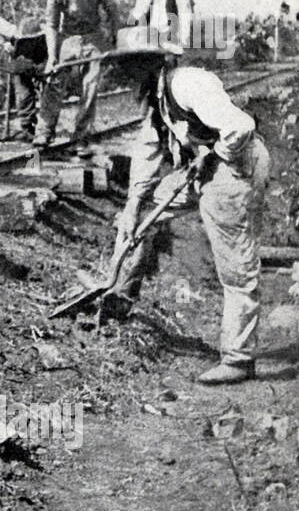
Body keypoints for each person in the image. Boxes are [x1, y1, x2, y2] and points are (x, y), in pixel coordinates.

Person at [100, 26, 271, 385]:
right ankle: (117, 294)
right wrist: (133, 206)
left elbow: (241, 126)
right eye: (124, 65)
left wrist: (213, 155)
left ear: (155, 61)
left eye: (133, 64)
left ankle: (238, 360)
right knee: (145, 215)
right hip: (203, 169)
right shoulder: (156, 99)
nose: (126, 73)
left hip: (235, 167)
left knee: (235, 264)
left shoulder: (188, 84)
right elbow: (147, 153)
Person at [38, 0, 121, 151]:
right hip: (69, 38)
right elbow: (51, 25)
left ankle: (81, 135)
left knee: (90, 86)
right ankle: (44, 131)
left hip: (93, 36)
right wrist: (51, 56)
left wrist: (114, 35)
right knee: (54, 79)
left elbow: (112, 9)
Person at [0, 13, 48, 142]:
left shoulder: (49, 32)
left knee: (49, 93)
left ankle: (45, 129)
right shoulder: (10, 31)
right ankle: (27, 129)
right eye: (25, 40)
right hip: (22, 60)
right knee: (23, 94)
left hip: (44, 60)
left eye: (31, 40)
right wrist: (3, 43)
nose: (29, 43)